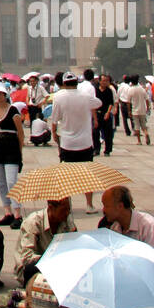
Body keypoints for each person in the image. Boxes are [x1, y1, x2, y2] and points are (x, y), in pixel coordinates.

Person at [50, 72, 101, 209]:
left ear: (64, 83)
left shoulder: (59, 97)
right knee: (87, 175)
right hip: (85, 142)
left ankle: (67, 205)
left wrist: (54, 133)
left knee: (65, 176)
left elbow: (54, 119)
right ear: (76, 82)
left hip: (67, 142)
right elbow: (98, 103)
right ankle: (89, 205)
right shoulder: (85, 96)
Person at [13, 196, 78, 287]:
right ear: (51, 208)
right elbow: (27, 256)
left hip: (55, 265)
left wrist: (74, 237)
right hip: (33, 267)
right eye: (64, 210)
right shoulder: (33, 222)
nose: (67, 213)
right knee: (32, 268)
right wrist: (52, 261)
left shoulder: (66, 221)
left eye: (69, 210)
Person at [0, 82, 24, 228]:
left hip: (11, 149)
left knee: (11, 182)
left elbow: (20, 133)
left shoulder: (13, 110)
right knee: (1, 182)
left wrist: (20, 152)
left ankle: (17, 214)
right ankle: (7, 211)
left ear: (4, 95)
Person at [93, 74, 118, 156]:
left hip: (106, 113)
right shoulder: (95, 91)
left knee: (108, 134)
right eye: (103, 80)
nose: (105, 82)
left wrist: (108, 113)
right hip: (97, 113)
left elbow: (111, 103)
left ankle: (107, 150)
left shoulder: (109, 91)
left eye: (106, 81)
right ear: (99, 81)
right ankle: (96, 149)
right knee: (95, 132)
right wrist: (95, 118)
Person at [127, 75, 151, 145]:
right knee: (143, 125)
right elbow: (147, 99)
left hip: (135, 111)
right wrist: (148, 107)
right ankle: (146, 134)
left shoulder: (130, 90)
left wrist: (129, 111)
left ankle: (139, 141)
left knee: (136, 126)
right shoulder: (142, 89)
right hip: (142, 110)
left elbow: (128, 102)